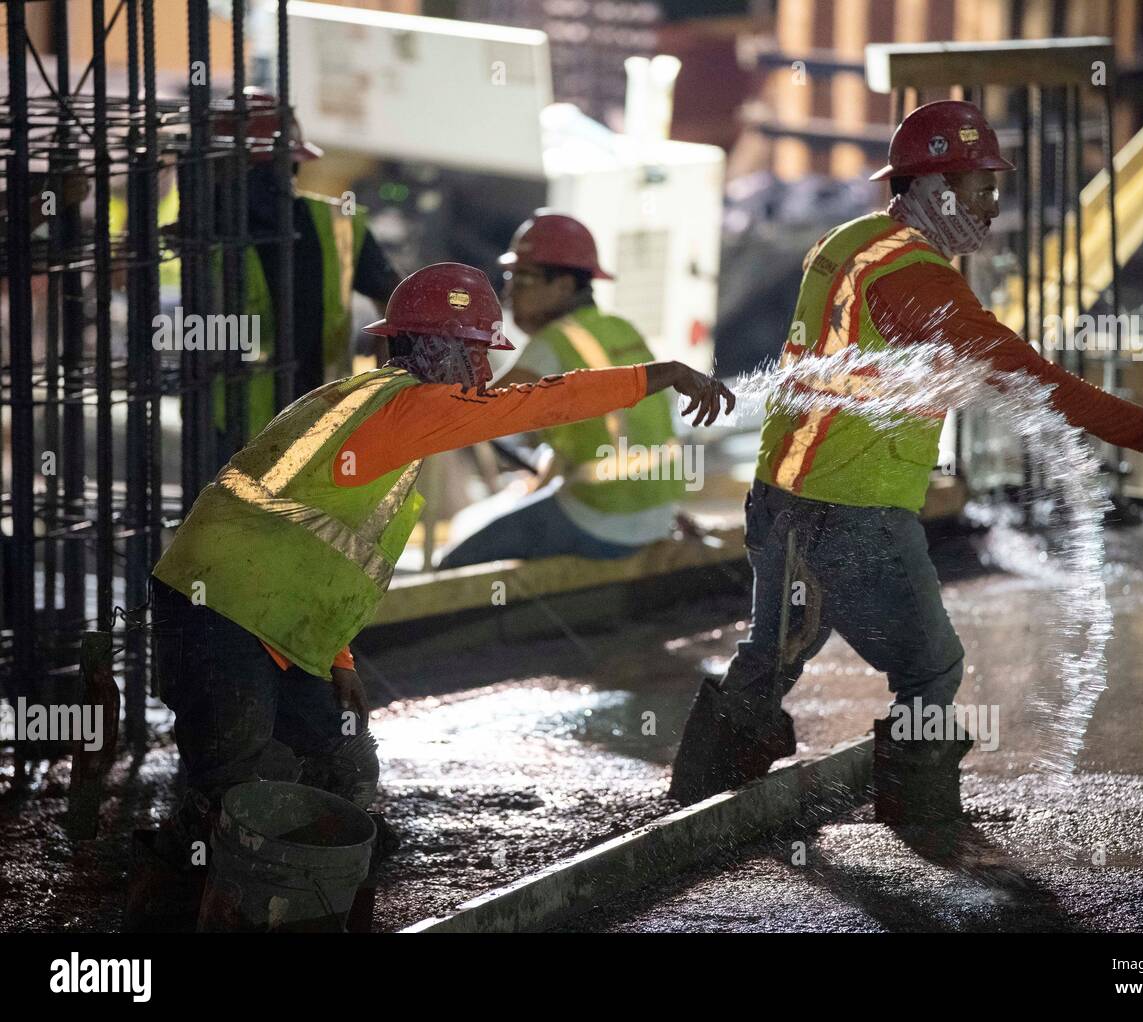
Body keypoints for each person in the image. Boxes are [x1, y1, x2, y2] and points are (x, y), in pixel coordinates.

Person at [669, 100, 1143, 816]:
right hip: (852, 506)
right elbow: (1027, 374)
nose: (990, 209)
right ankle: (920, 816)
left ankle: (697, 807)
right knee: (931, 665)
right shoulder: (918, 279)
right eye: (981, 190)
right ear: (935, 189)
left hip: (786, 492)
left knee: (770, 661)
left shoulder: (851, 242)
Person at [149, 262, 732, 841]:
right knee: (230, 786)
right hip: (221, 607)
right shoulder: (413, 409)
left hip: (260, 608)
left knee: (338, 762)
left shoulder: (366, 397)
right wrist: (662, 373)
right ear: (435, 349)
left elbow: (312, 544)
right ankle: (197, 887)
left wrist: (338, 658)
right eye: (475, 352)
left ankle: (303, 885)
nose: (484, 369)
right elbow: (541, 403)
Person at [439, 212, 684, 566]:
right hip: (657, 516)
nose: (509, 294)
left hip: (601, 521)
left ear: (565, 286)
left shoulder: (554, 342)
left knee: (455, 563)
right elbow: (609, 426)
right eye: (510, 278)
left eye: (523, 279)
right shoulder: (619, 328)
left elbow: (478, 416)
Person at [208, 88, 402, 452]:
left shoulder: (339, 225)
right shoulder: (200, 234)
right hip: (235, 432)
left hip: (311, 428)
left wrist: (388, 385)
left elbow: (402, 308)